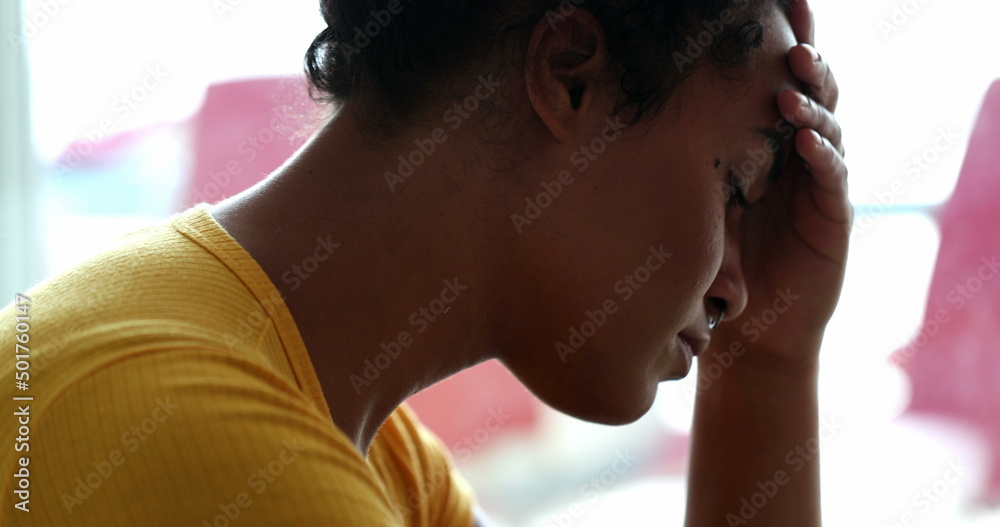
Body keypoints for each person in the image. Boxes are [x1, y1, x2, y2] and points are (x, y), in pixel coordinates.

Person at [0, 0, 849, 524]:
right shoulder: (210, 444)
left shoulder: (356, 437)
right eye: (738, 188)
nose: (737, 288)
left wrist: (770, 356)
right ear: (568, 74)